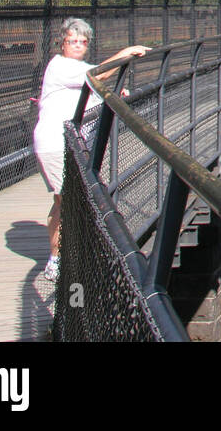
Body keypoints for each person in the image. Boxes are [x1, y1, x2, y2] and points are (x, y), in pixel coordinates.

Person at [33, 18, 148, 282]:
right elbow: (98, 74)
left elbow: (94, 86)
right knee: (66, 200)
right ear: (62, 42)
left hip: (73, 146)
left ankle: (71, 255)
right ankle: (56, 260)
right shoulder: (59, 65)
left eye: (82, 42)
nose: (77, 45)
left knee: (71, 199)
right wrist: (126, 53)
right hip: (54, 143)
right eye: (72, 40)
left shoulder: (78, 67)